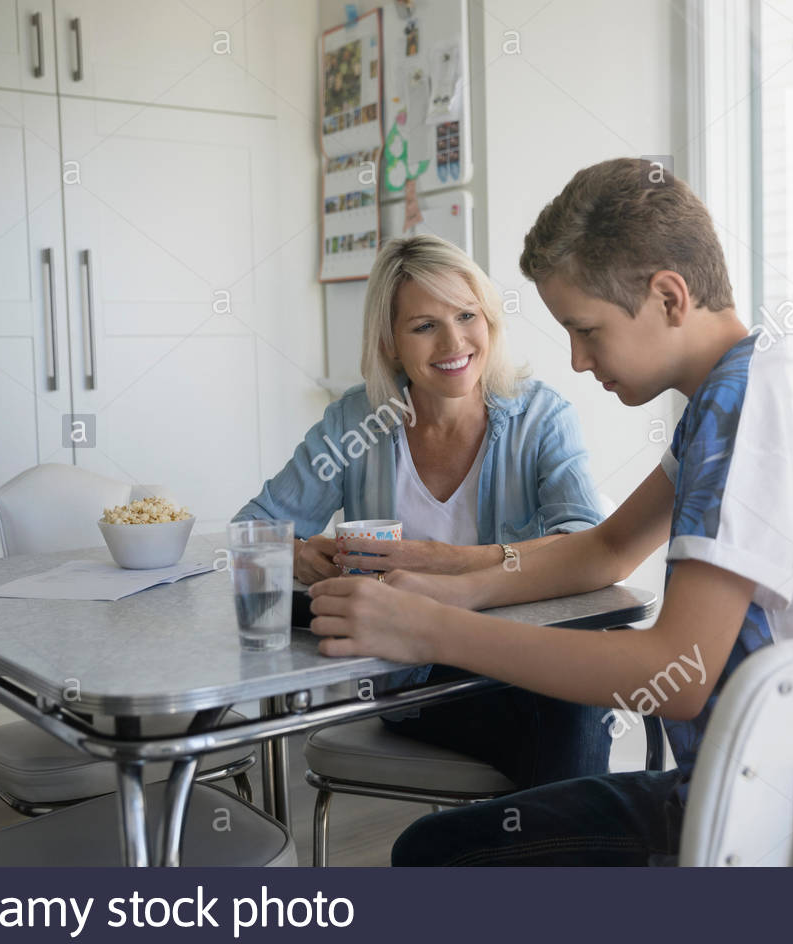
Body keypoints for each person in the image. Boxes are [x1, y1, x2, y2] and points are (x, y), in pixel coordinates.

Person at [307, 158, 793, 864]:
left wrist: (433, 630)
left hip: (763, 822)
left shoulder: (744, 410)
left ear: (669, 298)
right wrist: (447, 585)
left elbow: (678, 670)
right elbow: (606, 549)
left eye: (587, 330)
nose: (578, 360)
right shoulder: (756, 381)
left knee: (432, 853)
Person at [234, 233, 612, 787]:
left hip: (521, 657)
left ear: (489, 320)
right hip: (416, 677)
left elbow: (583, 543)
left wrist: (439, 559)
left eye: (466, 315)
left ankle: (521, 851)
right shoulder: (354, 423)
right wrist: (297, 556)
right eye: (424, 326)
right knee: (569, 718)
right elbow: (252, 527)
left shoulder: (541, 416)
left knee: (572, 710)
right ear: (390, 343)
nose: (453, 342)